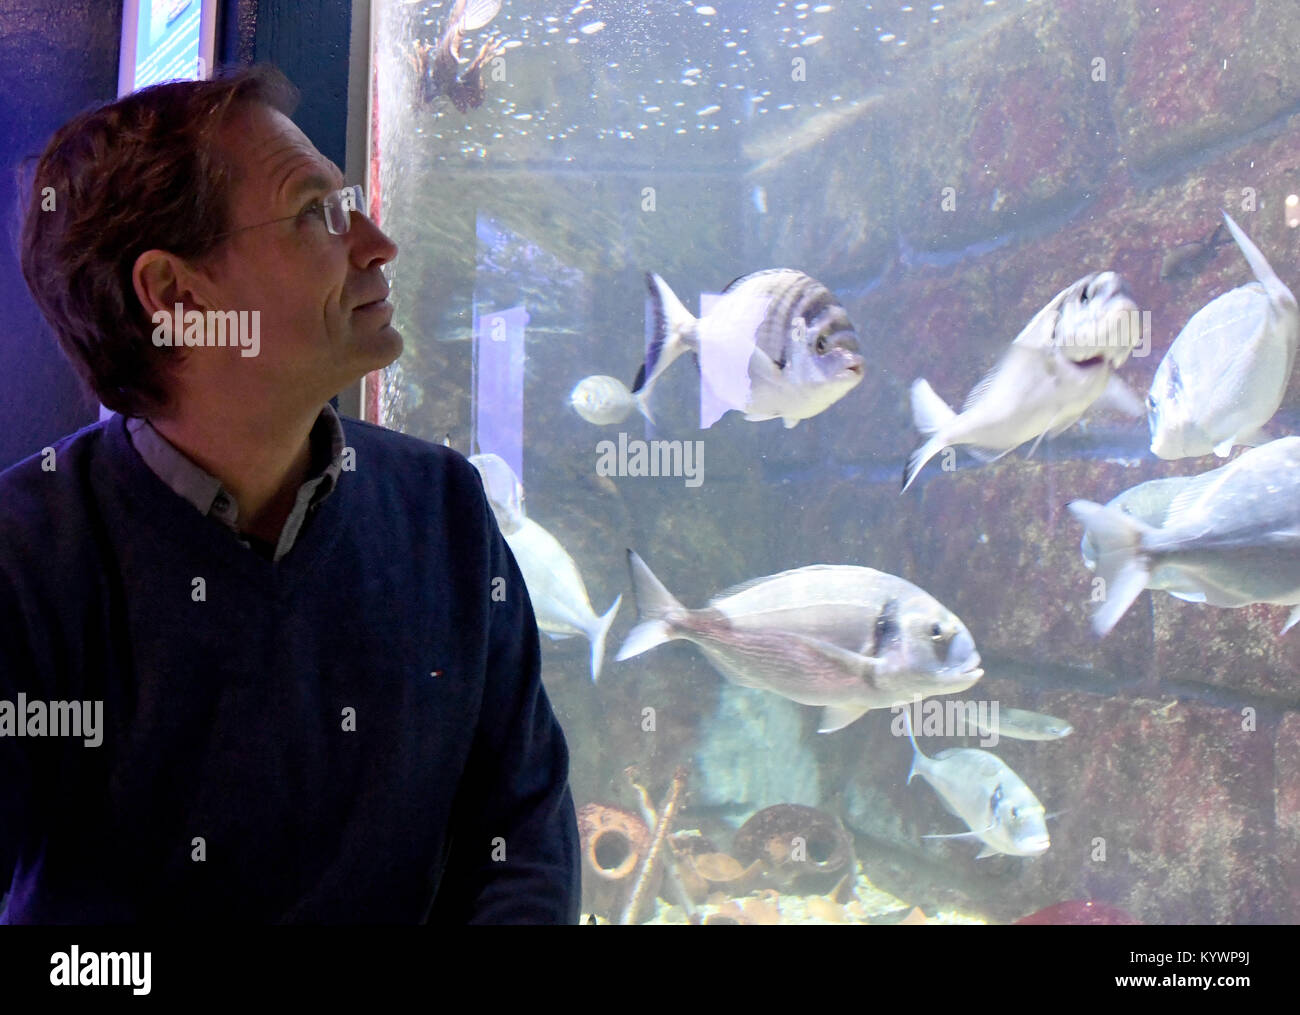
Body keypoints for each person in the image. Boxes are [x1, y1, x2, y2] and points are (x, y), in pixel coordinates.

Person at [1, 64, 580, 923]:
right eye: (317, 213)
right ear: (175, 295)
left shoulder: (445, 511)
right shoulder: (27, 561)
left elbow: (521, 831)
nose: (376, 242)